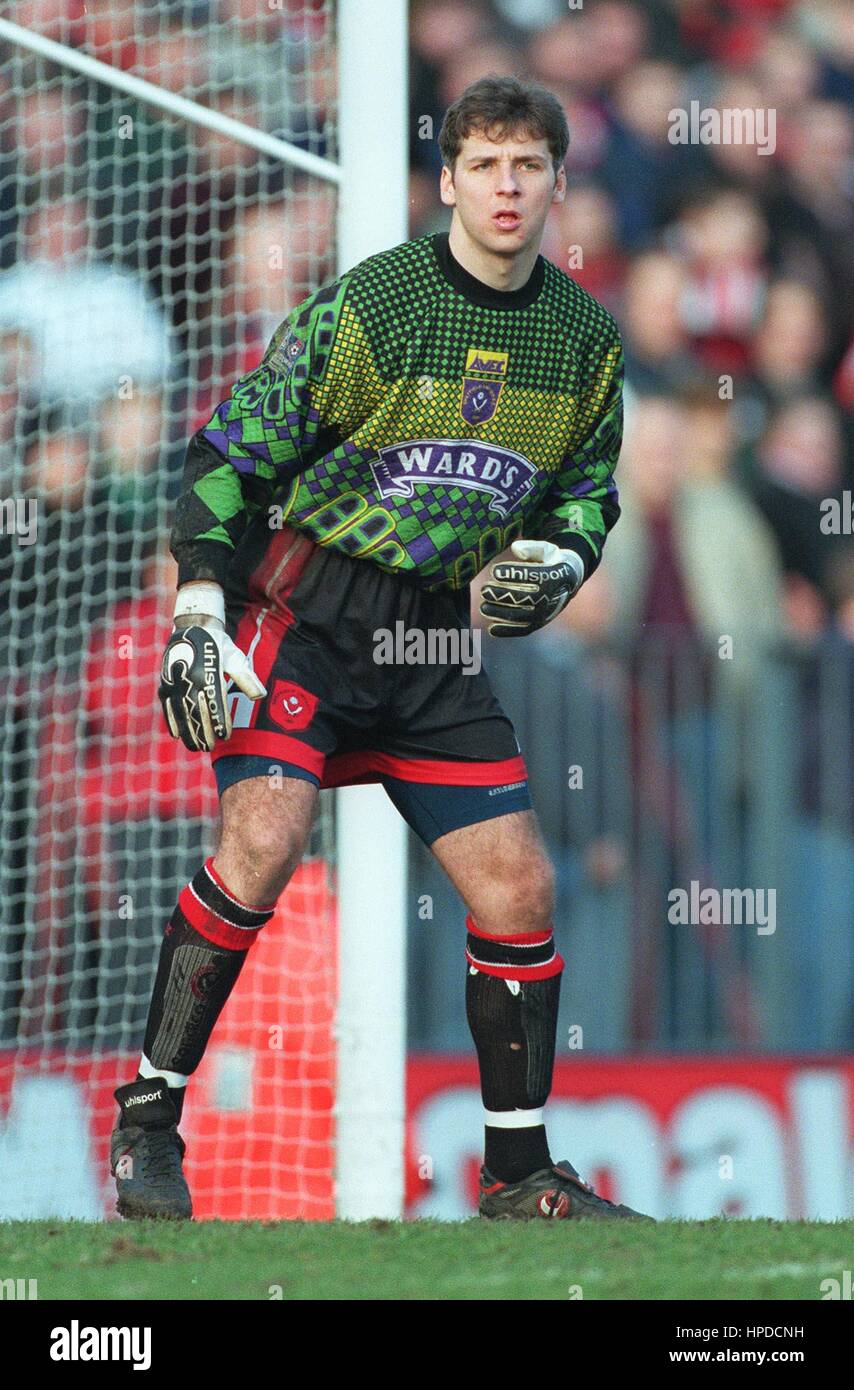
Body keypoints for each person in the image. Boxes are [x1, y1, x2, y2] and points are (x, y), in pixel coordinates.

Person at [110, 75, 649, 1224]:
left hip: (430, 639)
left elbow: (585, 500)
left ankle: (515, 1173)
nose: (508, 186)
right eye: (485, 164)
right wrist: (199, 605)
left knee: (517, 883)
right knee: (262, 839)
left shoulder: (586, 345)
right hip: (300, 614)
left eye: (528, 165)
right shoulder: (378, 306)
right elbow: (223, 454)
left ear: (556, 183)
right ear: (445, 180)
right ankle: (148, 1122)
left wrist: (561, 560)